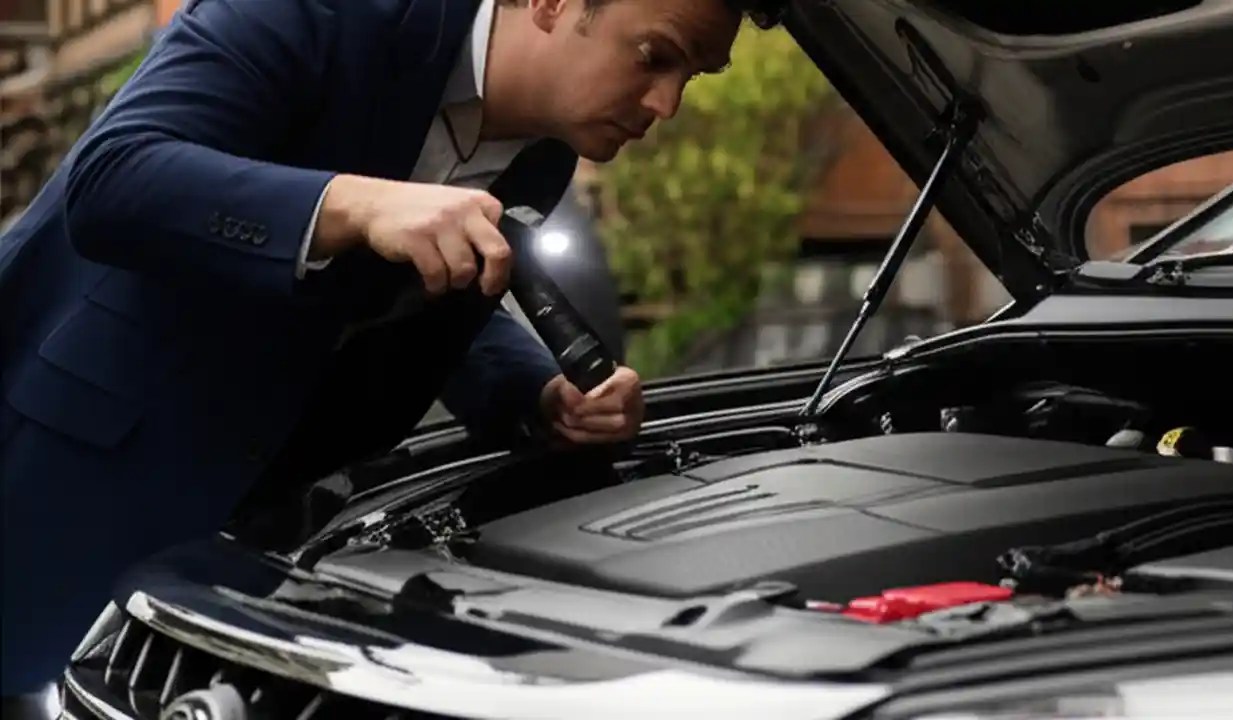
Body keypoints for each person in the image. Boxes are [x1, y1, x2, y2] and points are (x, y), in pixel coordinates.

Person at [0, 0, 781, 702]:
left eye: (695, 76)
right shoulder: (317, 12)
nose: (667, 104)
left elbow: (424, 300)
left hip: (259, 537)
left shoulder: (545, 157)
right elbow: (109, 178)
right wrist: (356, 203)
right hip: (67, 478)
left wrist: (537, 394)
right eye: (656, 56)